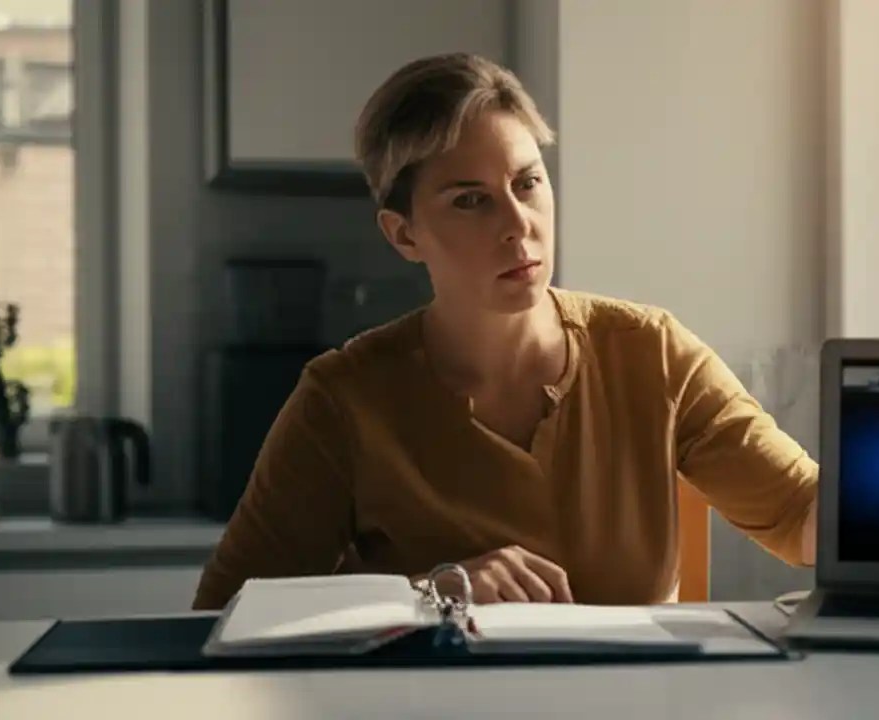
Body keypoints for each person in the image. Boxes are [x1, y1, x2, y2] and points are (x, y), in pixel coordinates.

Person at [192, 53, 819, 609]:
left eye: (528, 183)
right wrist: (429, 594)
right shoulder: (344, 400)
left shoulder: (650, 352)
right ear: (403, 233)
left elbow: (801, 514)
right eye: (471, 200)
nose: (517, 225)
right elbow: (227, 612)